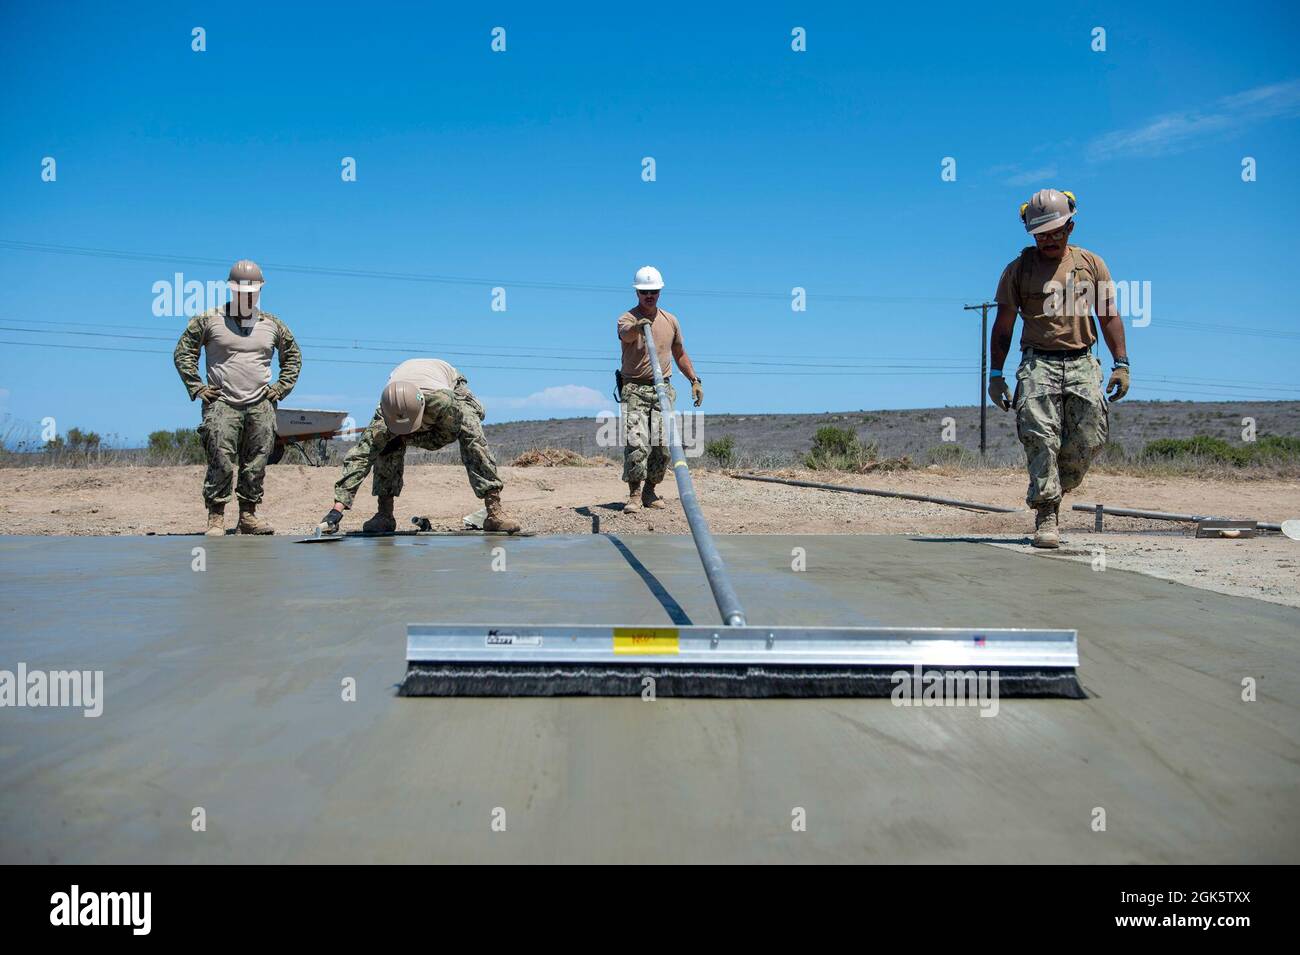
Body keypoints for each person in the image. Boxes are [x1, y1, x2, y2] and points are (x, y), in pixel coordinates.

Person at [988, 189, 1129, 548]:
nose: (1049, 239)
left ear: (1070, 227)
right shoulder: (1018, 271)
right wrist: (995, 375)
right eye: (1041, 234)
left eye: (1056, 231)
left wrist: (1121, 363)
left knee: (1089, 439)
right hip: (1037, 362)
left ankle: (1054, 486)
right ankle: (1046, 514)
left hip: (1082, 360)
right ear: (1031, 234)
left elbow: (1108, 315)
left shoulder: (1091, 264)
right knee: (1040, 436)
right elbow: (1003, 326)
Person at [317, 358, 520, 535]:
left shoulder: (446, 403)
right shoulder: (384, 413)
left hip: (447, 386)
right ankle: (384, 515)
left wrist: (416, 434)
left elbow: (460, 439)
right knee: (386, 443)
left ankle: (494, 512)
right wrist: (337, 509)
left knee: (472, 437)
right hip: (406, 388)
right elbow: (360, 456)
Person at [173, 259, 301, 536]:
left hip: (260, 404)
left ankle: (248, 516)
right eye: (242, 290)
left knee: (257, 461)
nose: (247, 295)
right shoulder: (209, 320)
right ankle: (216, 517)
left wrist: (280, 388)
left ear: (259, 291)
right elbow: (183, 353)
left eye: (252, 290)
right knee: (220, 459)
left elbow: (292, 357)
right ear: (232, 290)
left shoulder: (272, 324)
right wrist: (197, 388)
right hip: (222, 404)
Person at [616, 266, 703, 514]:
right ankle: (633, 494)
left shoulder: (670, 320)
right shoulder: (627, 318)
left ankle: (650, 491)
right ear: (637, 293)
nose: (649, 295)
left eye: (653, 291)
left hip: (662, 388)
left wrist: (694, 380)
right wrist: (637, 327)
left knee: (662, 445)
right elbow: (625, 334)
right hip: (634, 387)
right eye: (644, 292)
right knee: (637, 442)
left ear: (660, 292)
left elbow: (680, 354)